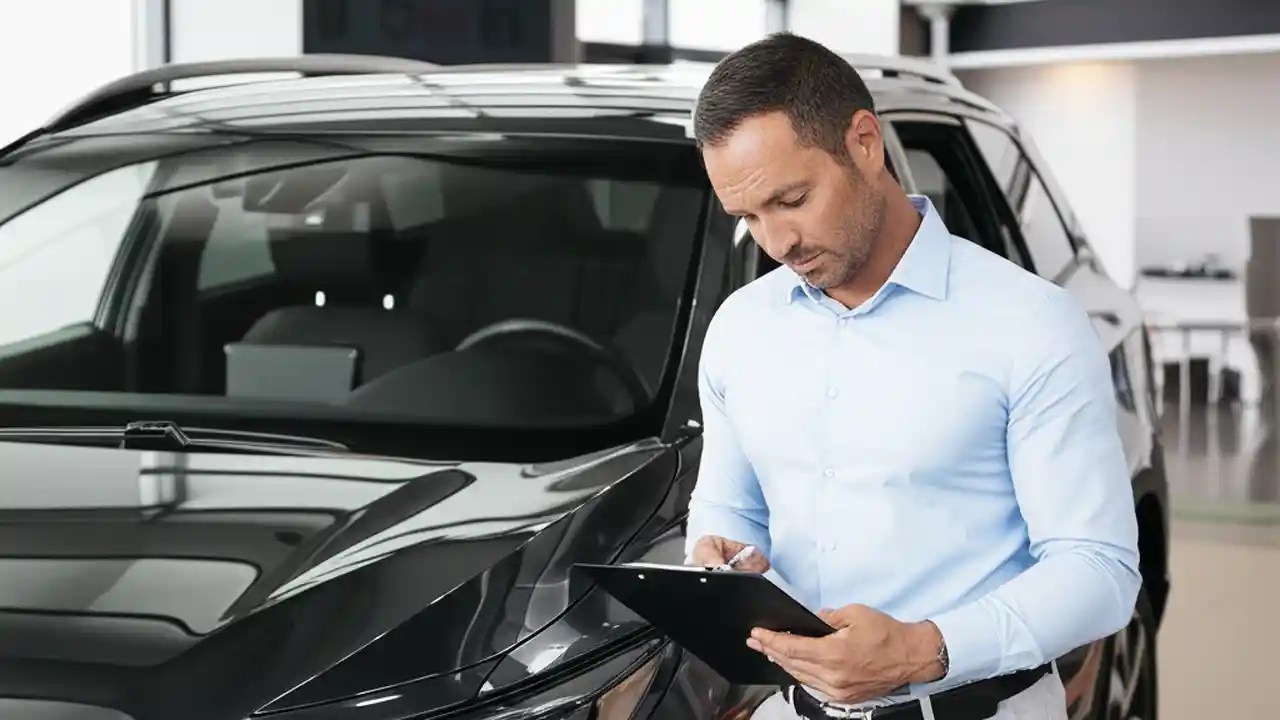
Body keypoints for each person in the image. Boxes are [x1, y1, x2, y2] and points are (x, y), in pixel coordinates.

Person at [684, 33, 1141, 720]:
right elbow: (730, 510)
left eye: (793, 199)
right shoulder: (740, 329)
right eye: (748, 217)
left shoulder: (1030, 324)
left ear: (865, 143)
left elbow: (1100, 573)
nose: (778, 243)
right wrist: (716, 555)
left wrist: (923, 650)